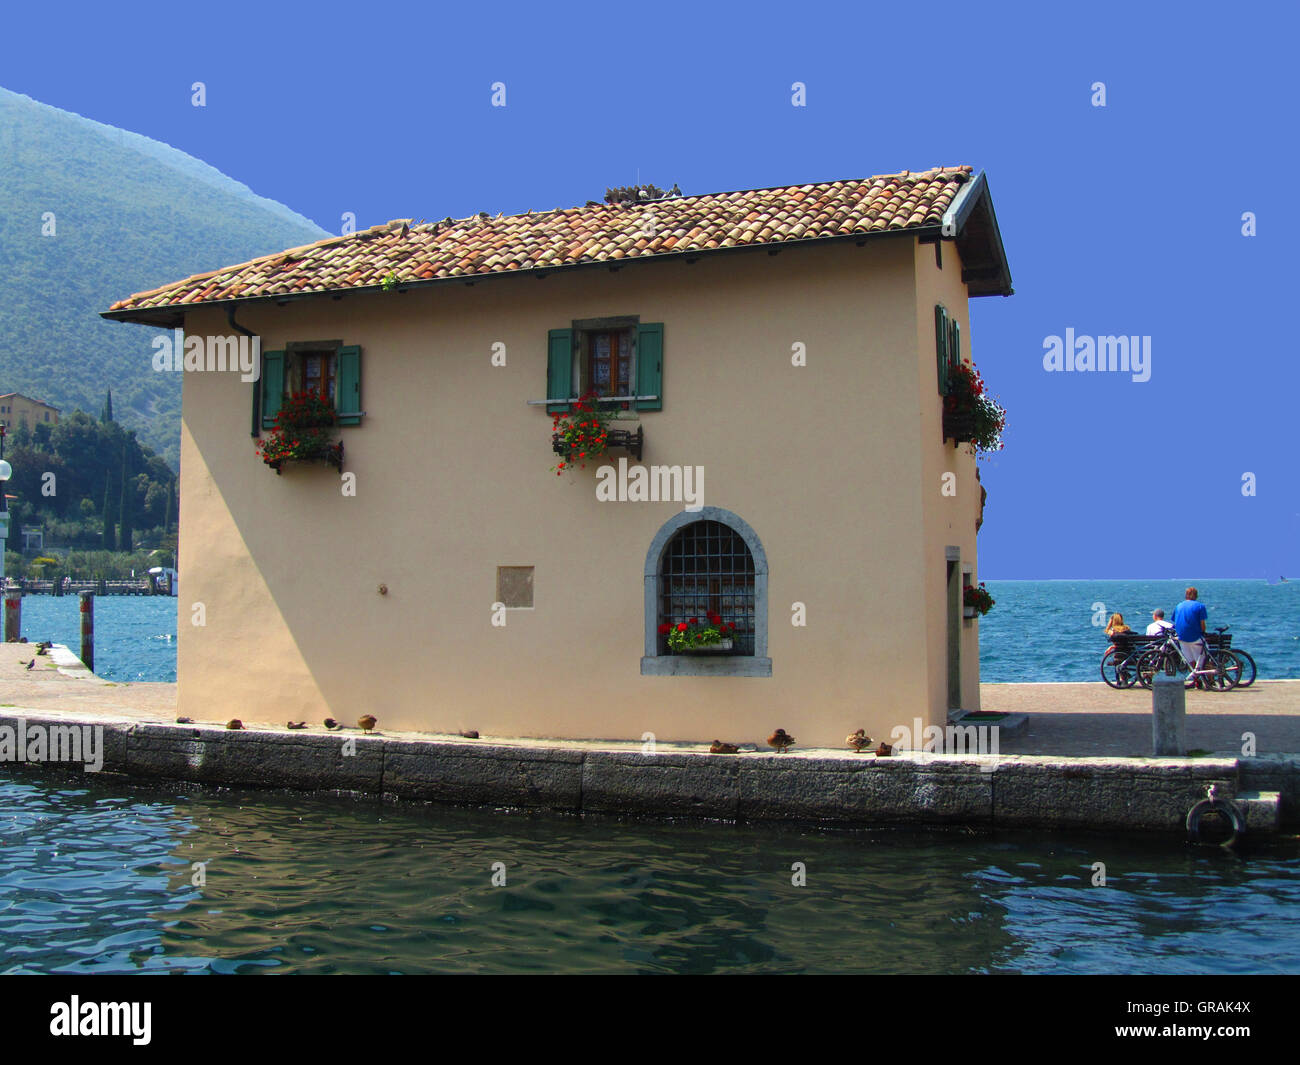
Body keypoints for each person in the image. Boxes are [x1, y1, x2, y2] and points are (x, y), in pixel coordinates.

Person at [1173, 587, 1208, 677]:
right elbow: (1202, 625)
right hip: (1195, 637)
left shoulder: (1178, 606)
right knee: (1206, 658)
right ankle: (1210, 681)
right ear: (1196, 595)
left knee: (1190, 661)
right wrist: (1203, 632)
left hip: (1182, 637)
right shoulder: (1200, 606)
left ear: (1186, 595)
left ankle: (1196, 680)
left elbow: (1175, 621)